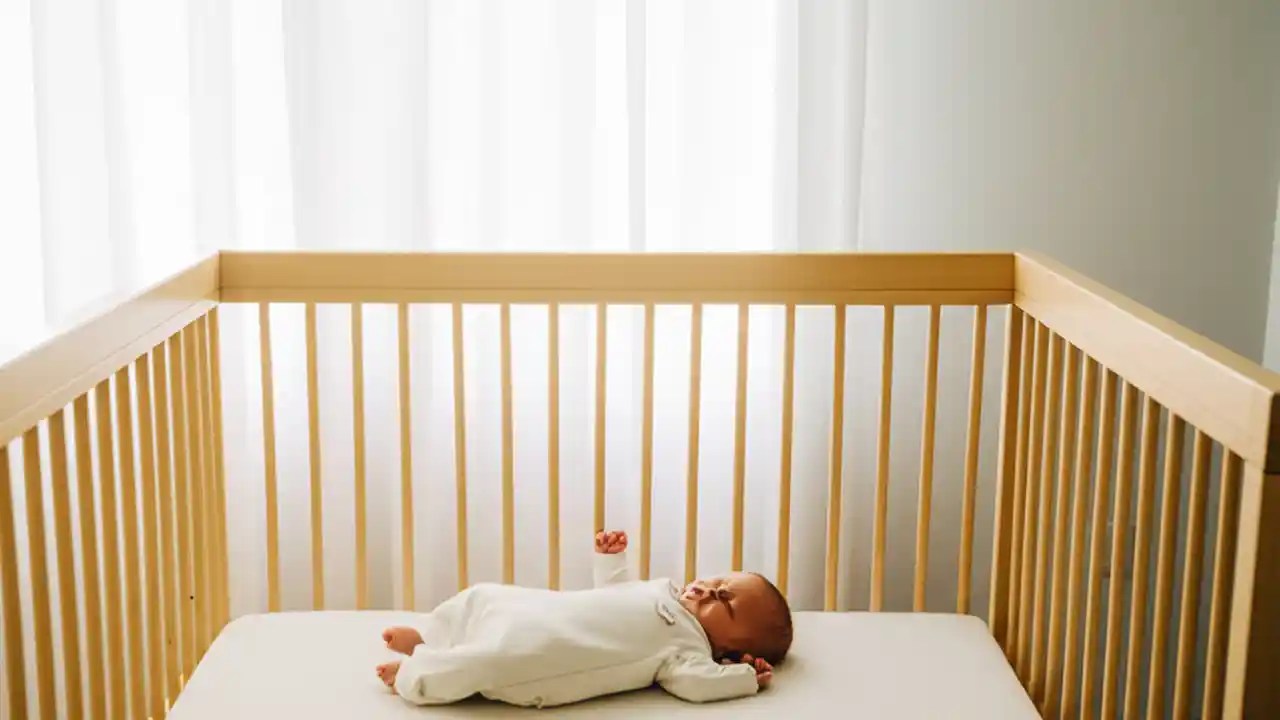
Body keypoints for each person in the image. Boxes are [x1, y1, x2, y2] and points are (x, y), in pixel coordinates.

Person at [375, 530, 792, 708]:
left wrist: (743, 679)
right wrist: (611, 561)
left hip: (548, 652)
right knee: (485, 598)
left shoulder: (688, 650)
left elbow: (696, 687)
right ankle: (431, 637)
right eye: (720, 580)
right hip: (541, 609)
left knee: (491, 661)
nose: (712, 590)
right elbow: (613, 594)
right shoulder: (662, 590)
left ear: (731, 650)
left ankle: (417, 673)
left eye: (727, 603)